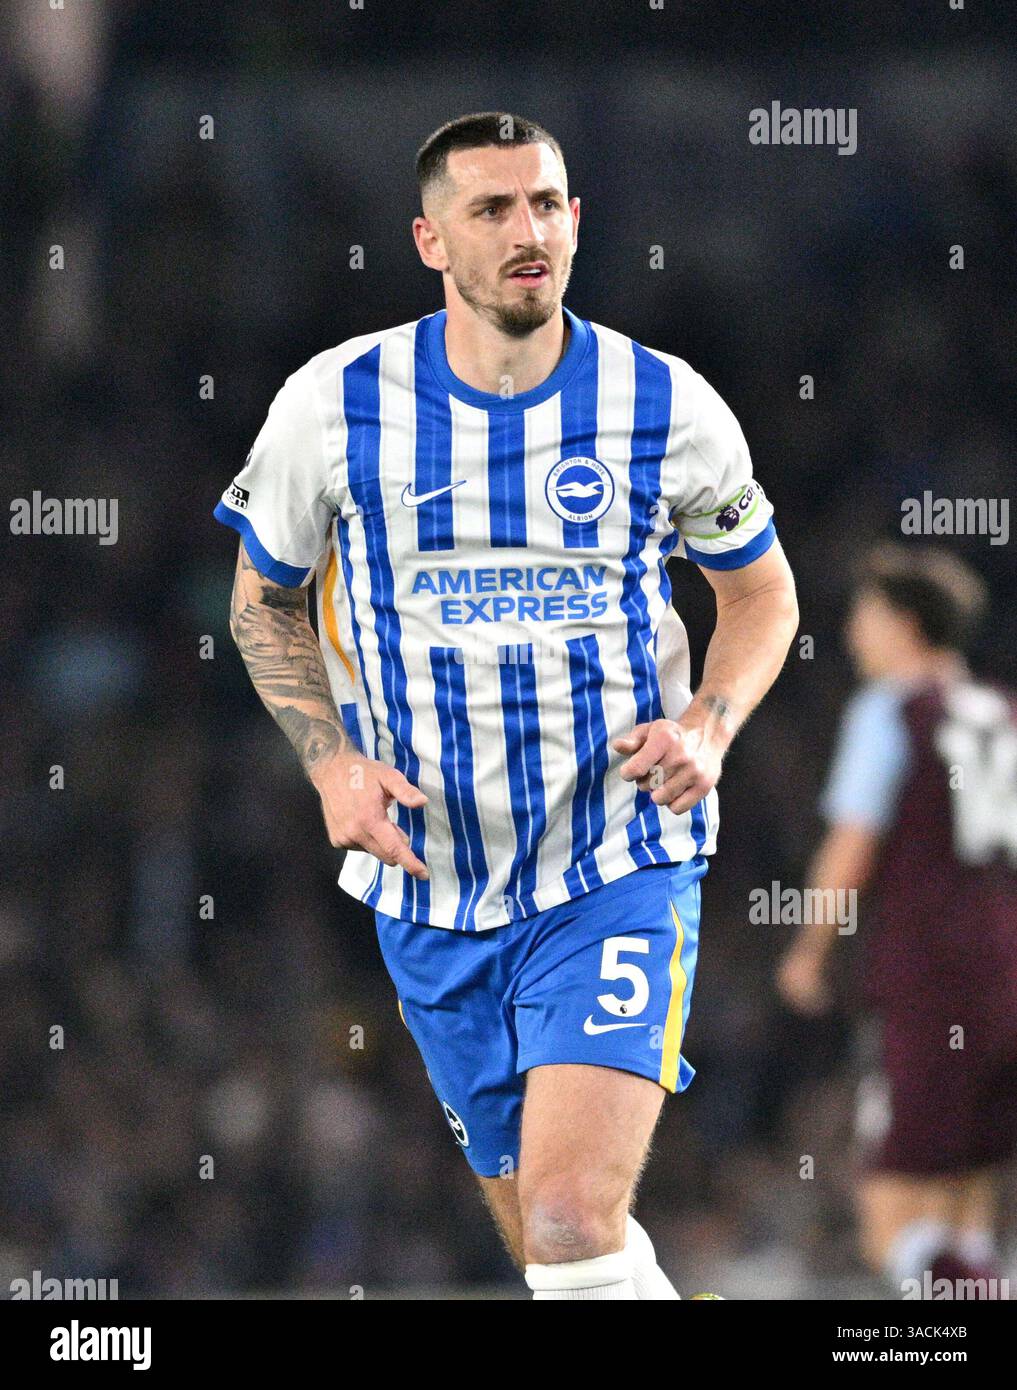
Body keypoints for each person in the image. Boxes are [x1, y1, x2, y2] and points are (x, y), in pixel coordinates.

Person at [216, 111, 798, 1299]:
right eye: (493, 209)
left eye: (547, 204)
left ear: (576, 221)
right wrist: (330, 763)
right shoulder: (331, 407)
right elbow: (260, 607)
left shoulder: (665, 403)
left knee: (575, 1217)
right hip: (428, 877)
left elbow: (765, 598)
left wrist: (710, 726)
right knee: (550, 1243)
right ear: (432, 240)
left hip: (615, 855)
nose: (528, 231)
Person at [778, 543, 1017, 1299]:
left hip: (929, 975)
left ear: (903, 623)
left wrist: (809, 949)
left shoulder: (890, 710)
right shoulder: (999, 712)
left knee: (888, 1209)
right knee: (969, 1198)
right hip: (1004, 974)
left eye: (864, 614)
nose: (851, 633)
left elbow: (851, 844)